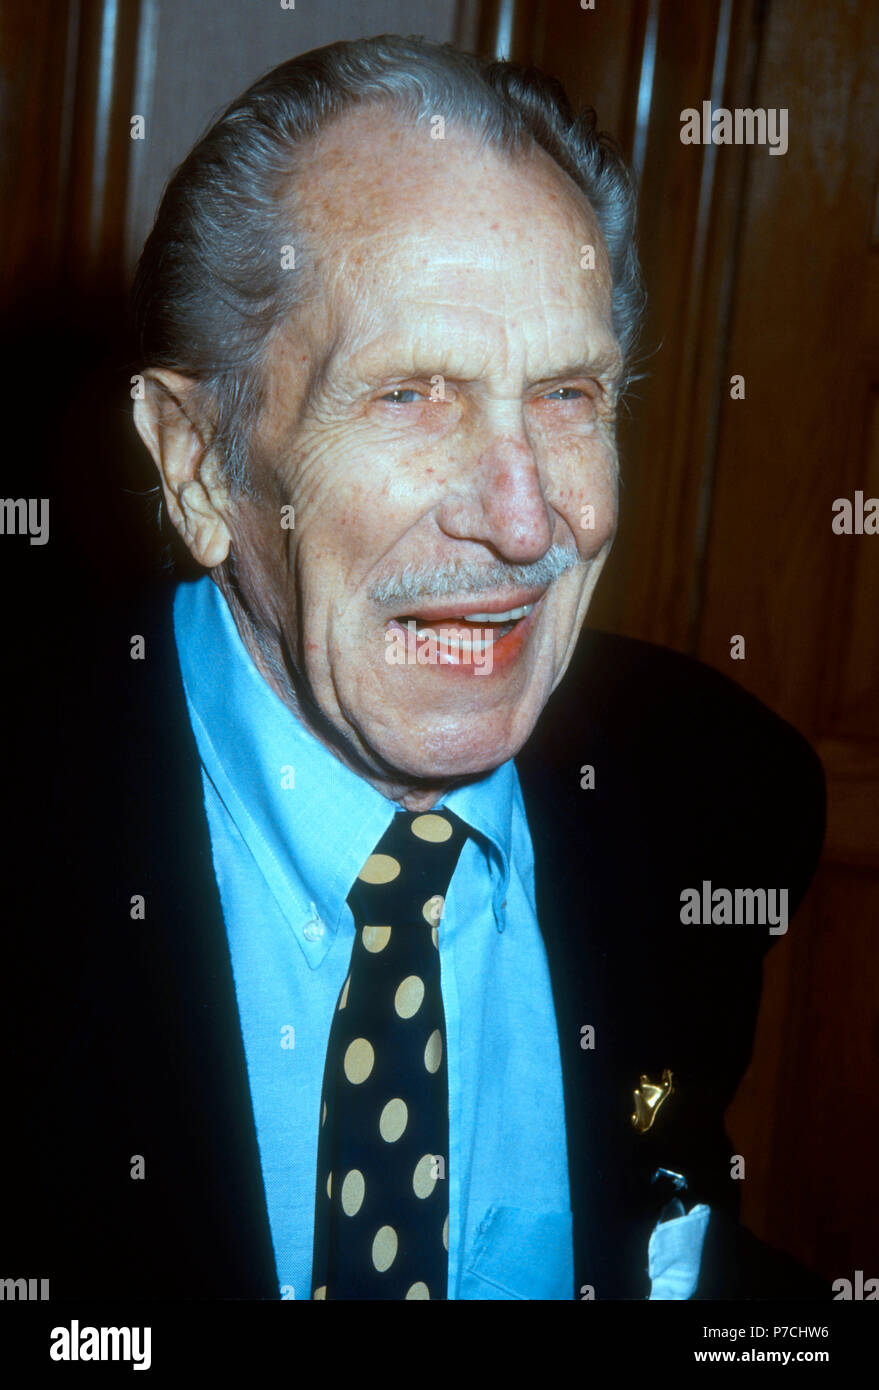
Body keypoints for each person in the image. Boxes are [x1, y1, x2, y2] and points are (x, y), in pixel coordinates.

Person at [14, 34, 827, 1301]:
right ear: (197, 466)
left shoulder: (717, 796)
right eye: (410, 394)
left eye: (566, 394)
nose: (522, 521)